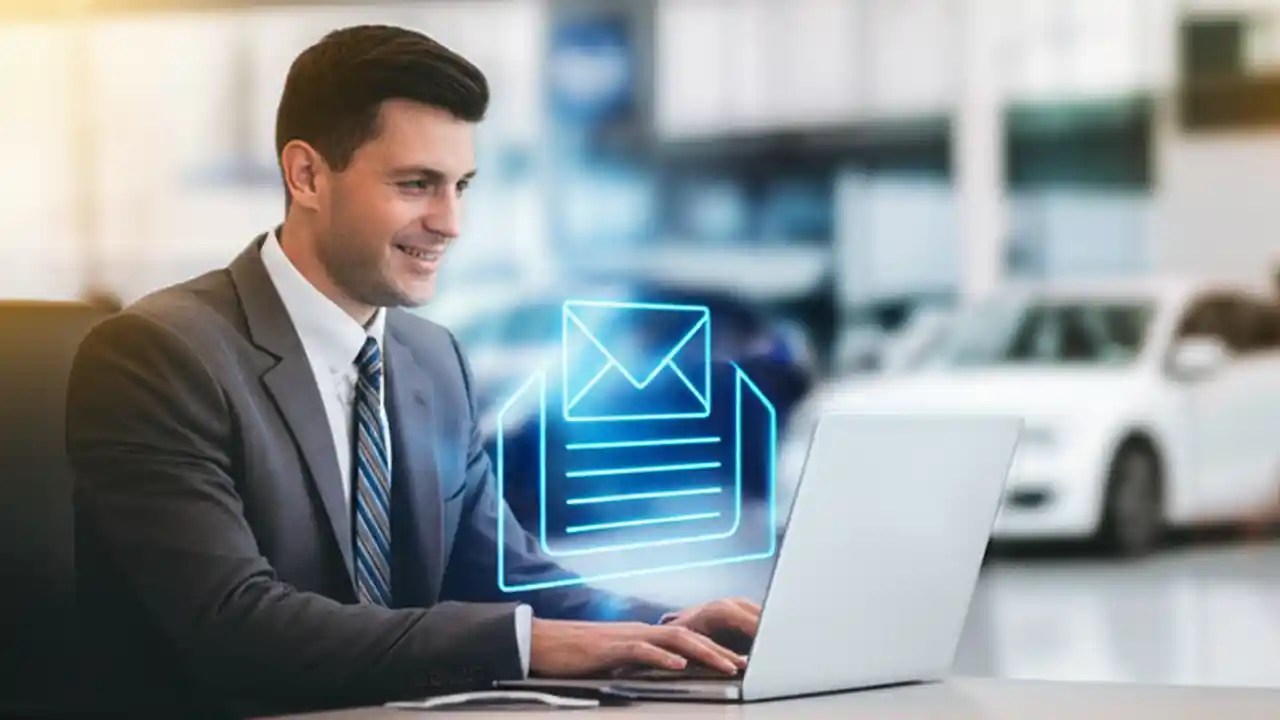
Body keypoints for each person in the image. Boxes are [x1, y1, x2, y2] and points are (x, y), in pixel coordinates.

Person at [65, 25, 760, 717]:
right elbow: (236, 624)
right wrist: (526, 645)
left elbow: (504, 576)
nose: (451, 221)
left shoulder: (430, 358)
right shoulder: (160, 355)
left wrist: (664, 631)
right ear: (306, 175)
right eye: (416, 184)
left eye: (460, 185)